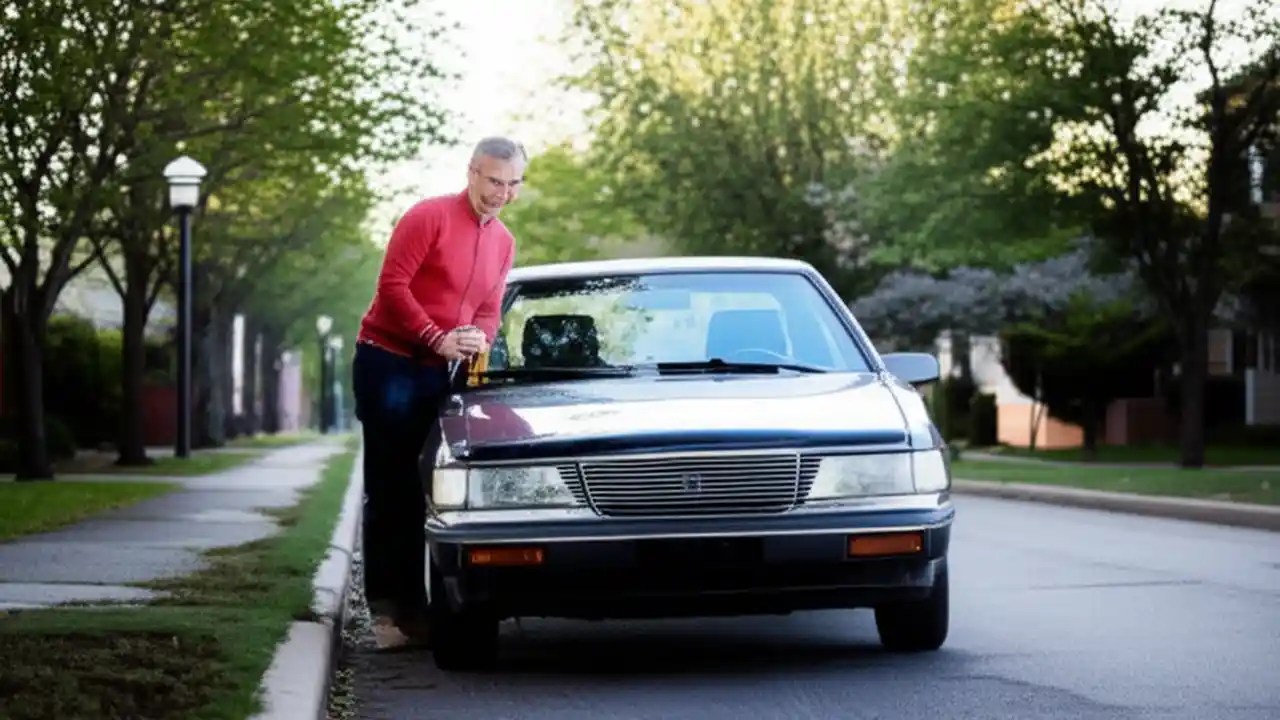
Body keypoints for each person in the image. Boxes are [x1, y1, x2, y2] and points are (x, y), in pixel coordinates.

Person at [352, 136, 525, 643]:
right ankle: (388, 612)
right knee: (392, 487)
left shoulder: (504, 241)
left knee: (439, 489)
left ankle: (426, 605)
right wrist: (435, 336)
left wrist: (479, 339)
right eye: (494, 180)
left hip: (441, 369)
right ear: (472, 172)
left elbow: (490, 308)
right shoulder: (427, 216)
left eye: (513, 184)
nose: (502, 193)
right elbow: (393, 287)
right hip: (389, 362)